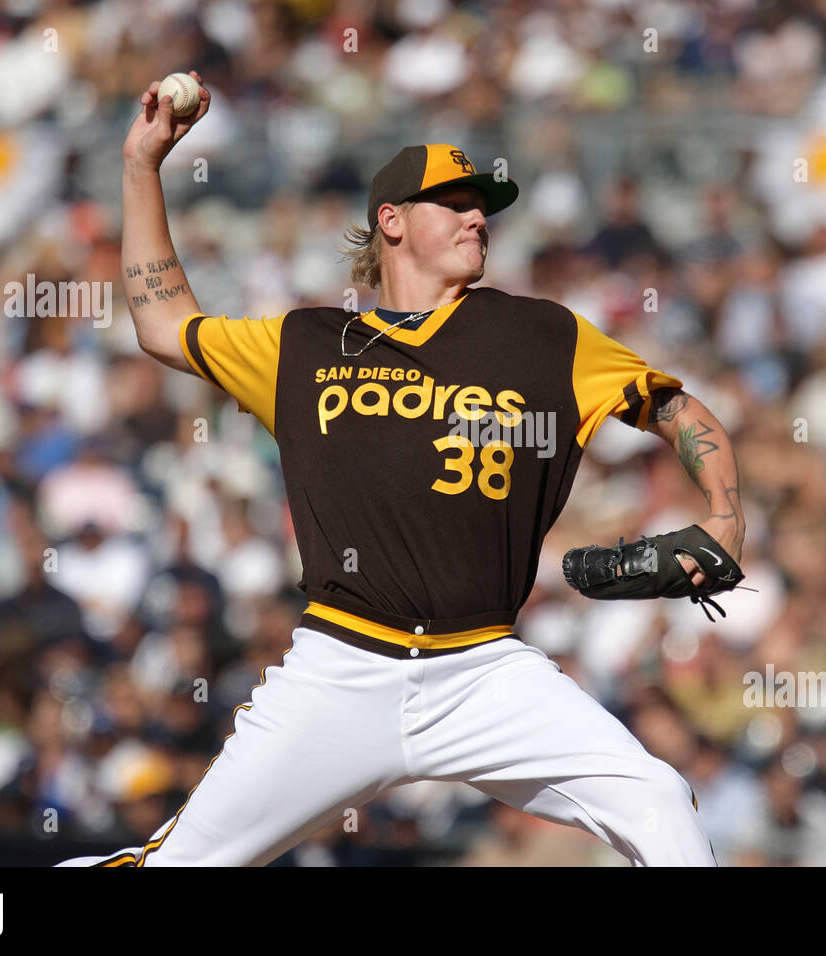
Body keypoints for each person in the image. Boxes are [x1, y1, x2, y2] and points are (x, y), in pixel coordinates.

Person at [61, 72, 745, 867]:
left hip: (485, 670)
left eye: (481, 204)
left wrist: (726, 515)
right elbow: (162, 324)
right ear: (391, 219)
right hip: (340, 670)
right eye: (453, 201)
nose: (476, 215)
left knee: (657, 799)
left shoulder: (545, 339)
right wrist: (143, 168)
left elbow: (679, 411)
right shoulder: (305, 346)